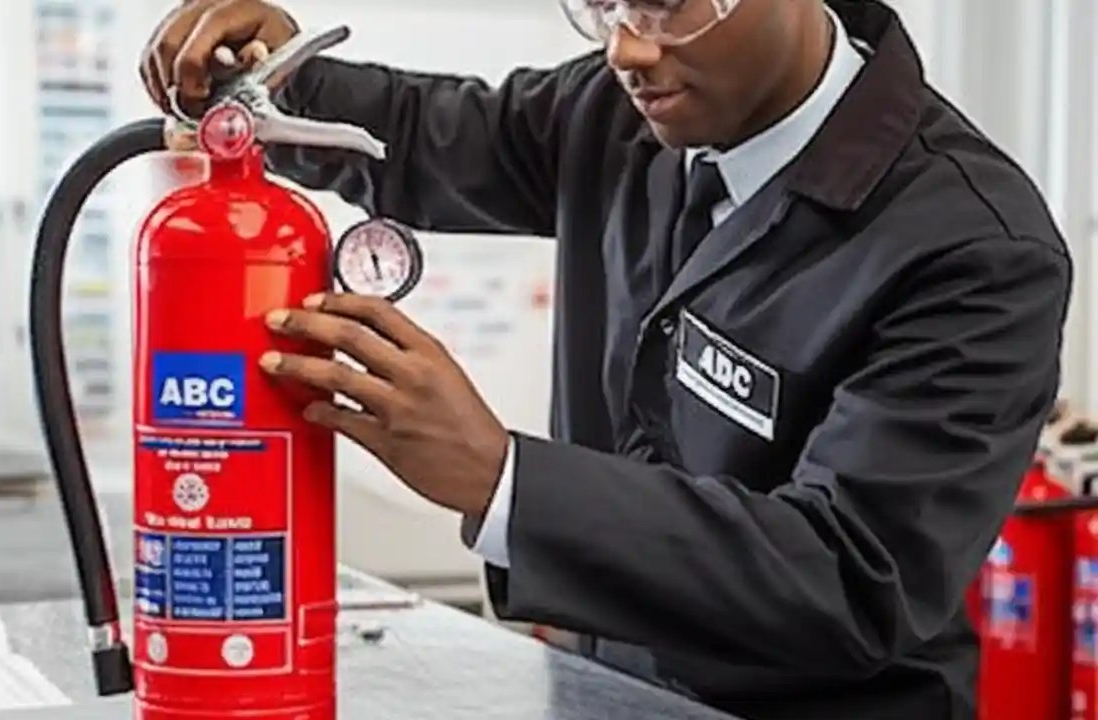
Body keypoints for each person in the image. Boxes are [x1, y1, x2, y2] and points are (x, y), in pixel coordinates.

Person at [141, 1, 1073, 718]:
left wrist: (501, 480)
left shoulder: (972, 247)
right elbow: (434, 134)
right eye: (602, 3)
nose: (626, 47)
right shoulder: (619, 114)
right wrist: (279, 84)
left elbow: (852, 578)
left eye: (669, 3)